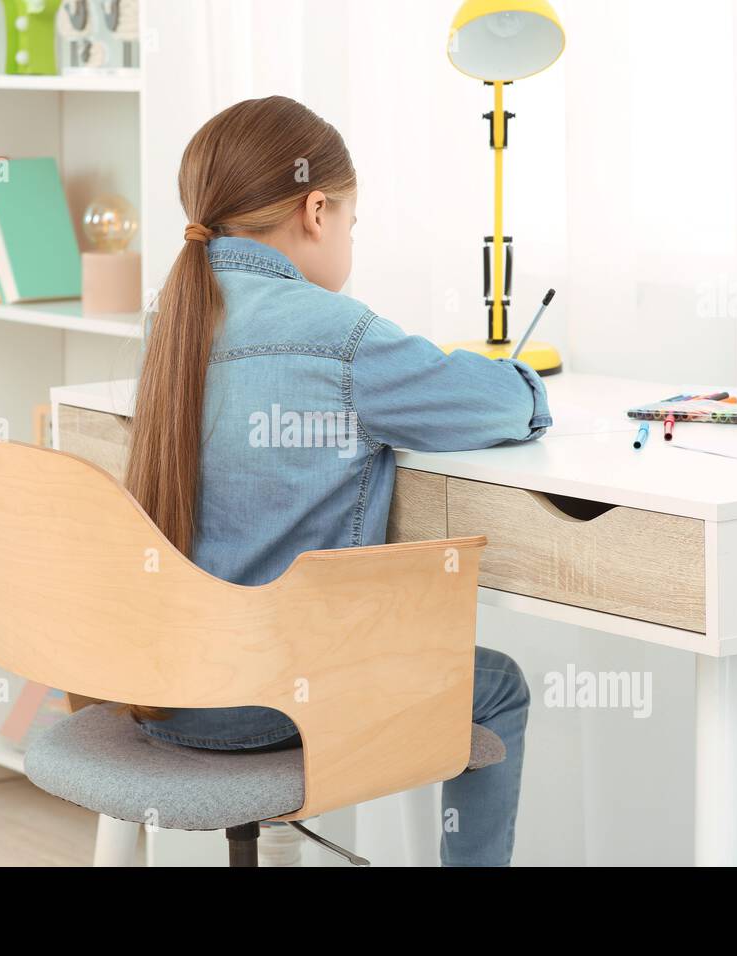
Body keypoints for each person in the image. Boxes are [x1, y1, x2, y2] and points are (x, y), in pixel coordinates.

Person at [123, 95, 550, 866]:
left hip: (155, 687)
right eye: (352, 221)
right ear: (315, 209)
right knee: (498, 685)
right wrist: (525, 379)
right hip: (272, 702)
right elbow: (501, 404)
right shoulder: (339, 335)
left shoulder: (167, 321)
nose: (349, 238)